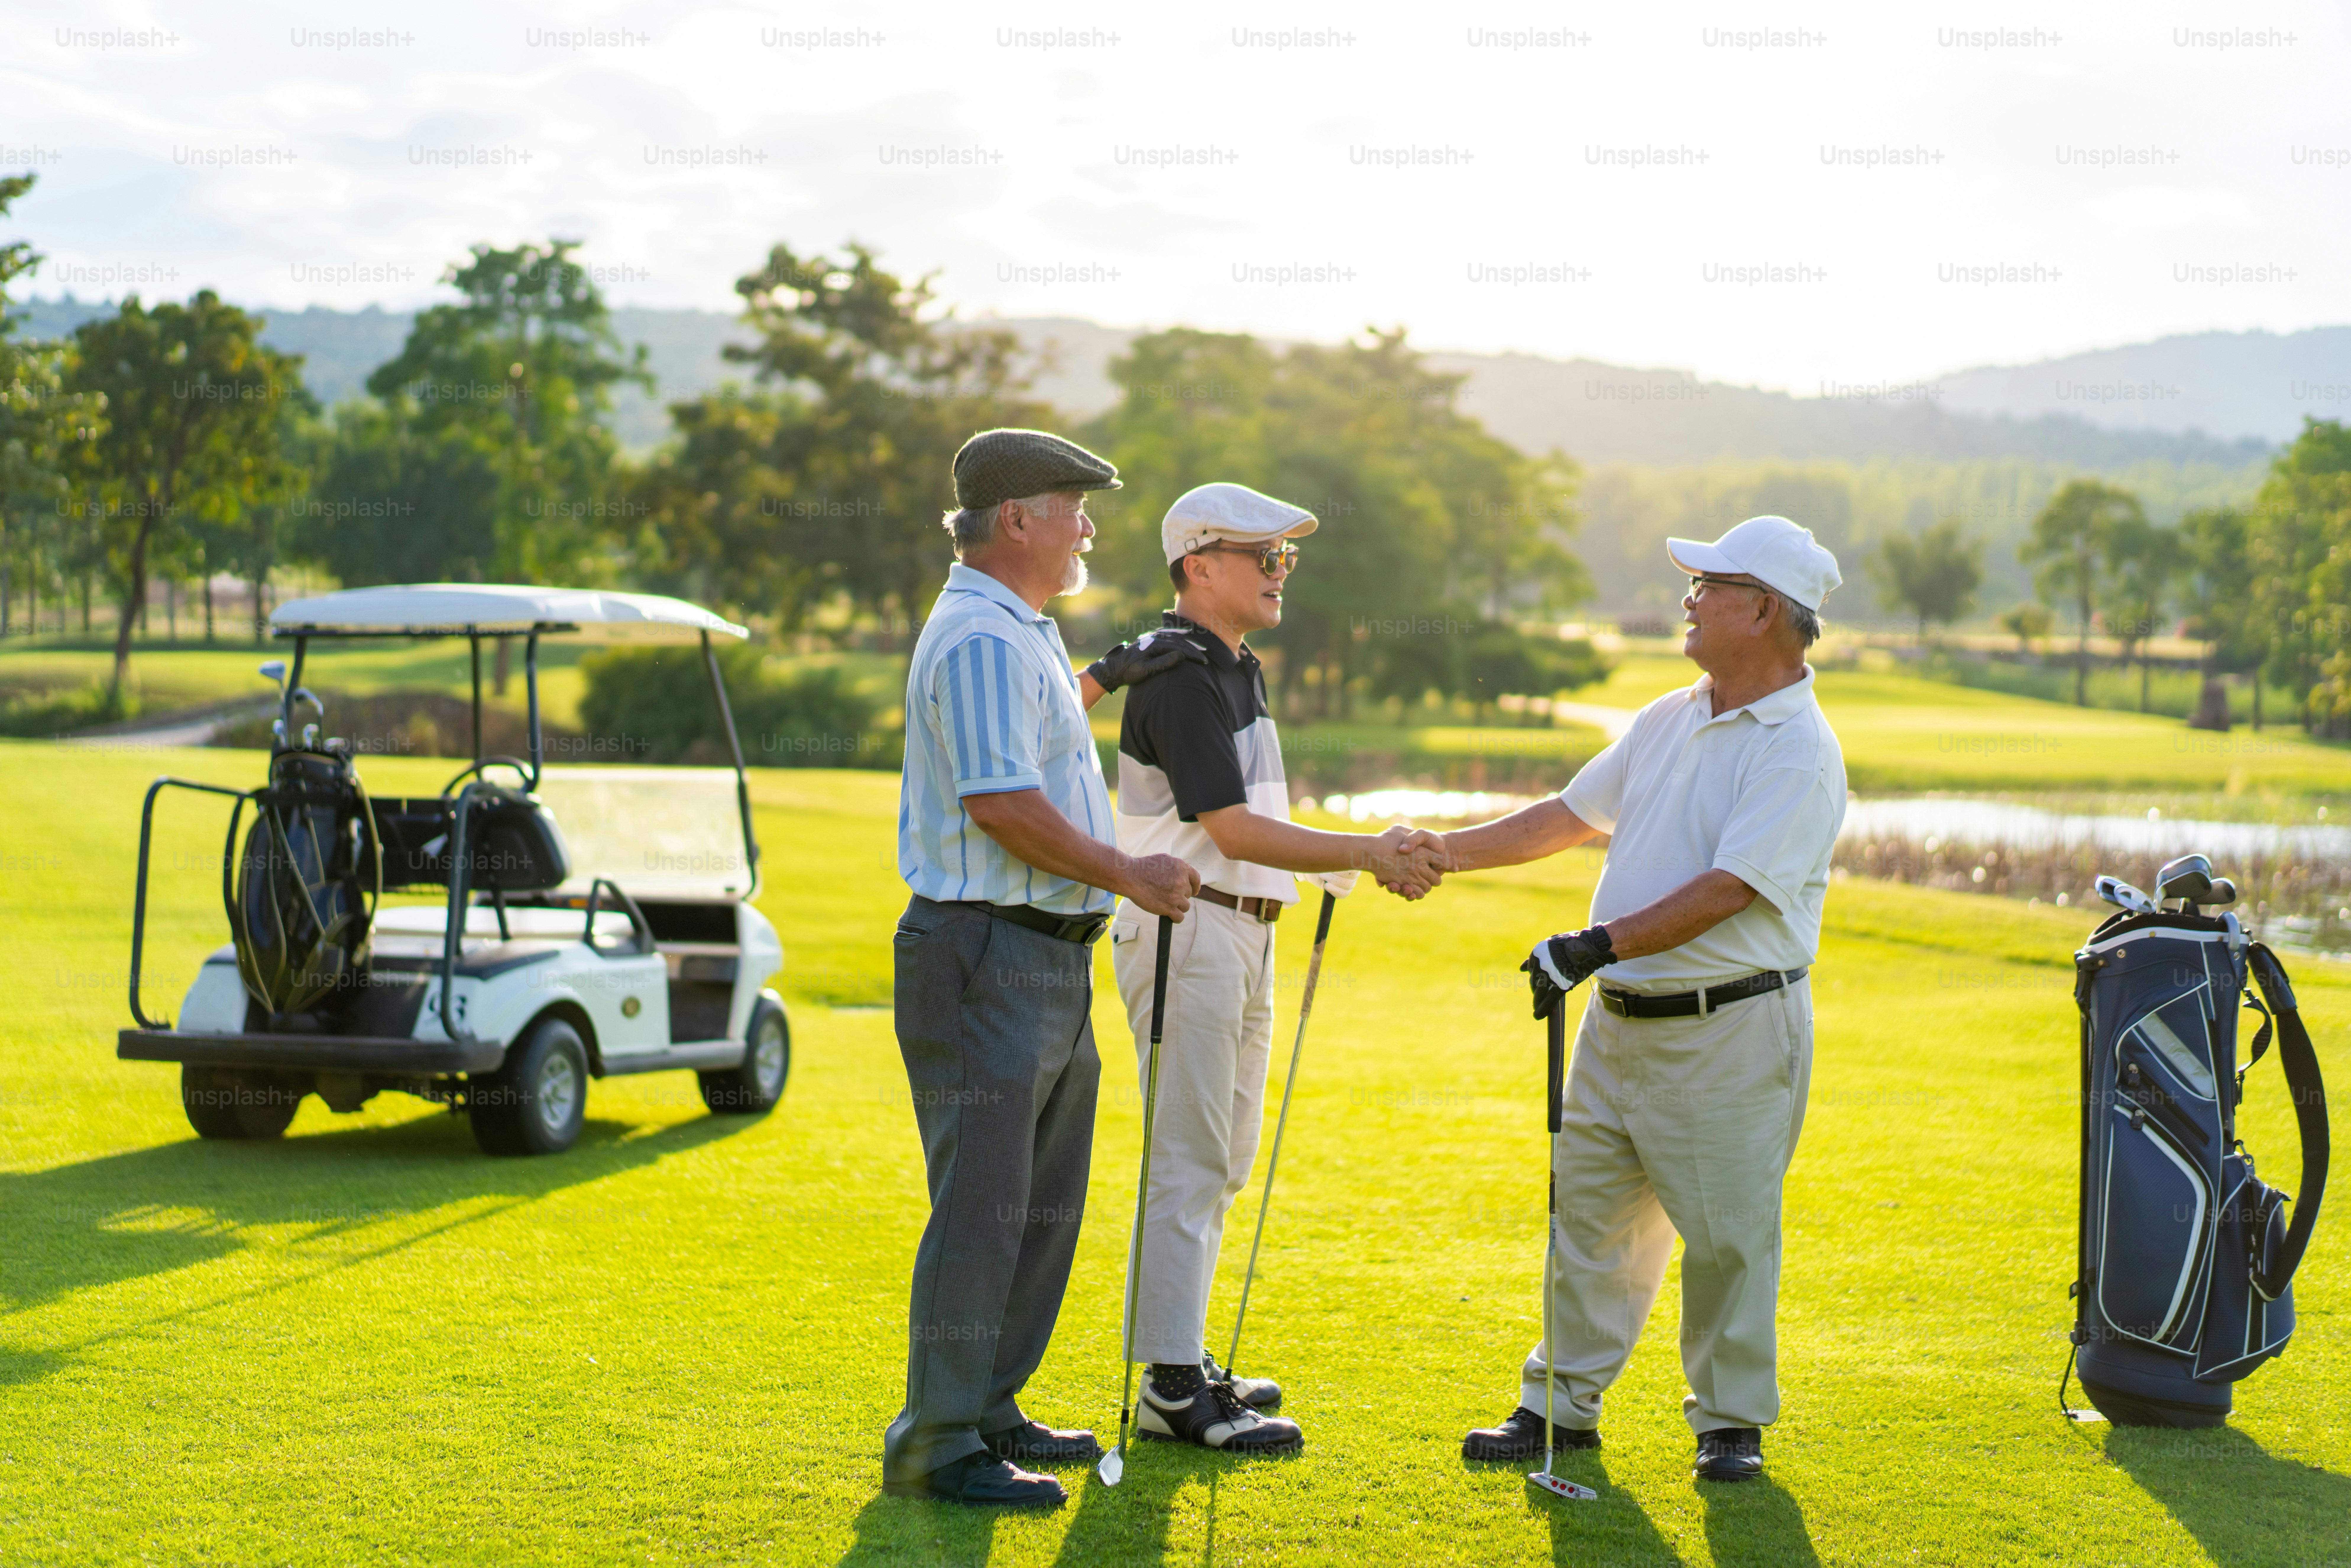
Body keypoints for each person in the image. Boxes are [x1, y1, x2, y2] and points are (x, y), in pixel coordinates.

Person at [1411, 516, 1846, 1484]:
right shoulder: (1668, 715)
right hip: (1622, 1024)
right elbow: (1568, 817)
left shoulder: (1800, 749)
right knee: (1590, 1222)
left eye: (1709, 583)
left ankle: (1730, 1424)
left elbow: (1731, 888)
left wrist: (1594, 945)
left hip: (1729, 1025)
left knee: (1729, 1237)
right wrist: (1444, 851)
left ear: (1766, 610)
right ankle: (1557, 1407)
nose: (1688, 598)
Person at [1076, 482, 1446, 1456]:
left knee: (1222, 1158)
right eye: (1265, 558)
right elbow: (1232, 829)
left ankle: (1183, 1357)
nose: (1284, 573)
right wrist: (1365, 852)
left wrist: (1339, 861)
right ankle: (1166, 1384)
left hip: (1239, 933)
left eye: (1288, 559)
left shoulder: (1229, 667)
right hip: (1187, 933)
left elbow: (1251, 824)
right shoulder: (1184, 675)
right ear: (1201, 566)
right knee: (1190, 1161)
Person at [883, 428, 1201, 1510]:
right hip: (986, 952)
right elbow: (1001, 804)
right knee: (984, 1204)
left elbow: (1027, 737)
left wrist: (1107, 673)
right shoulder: (980, 635)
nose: (1088, 527)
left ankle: (989, 1406)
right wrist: (1130, 869)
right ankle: (937, 1441)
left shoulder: (1013, 630)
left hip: (1042, 956)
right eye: (1073, 506)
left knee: (1043, 1204)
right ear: (1015, 520)